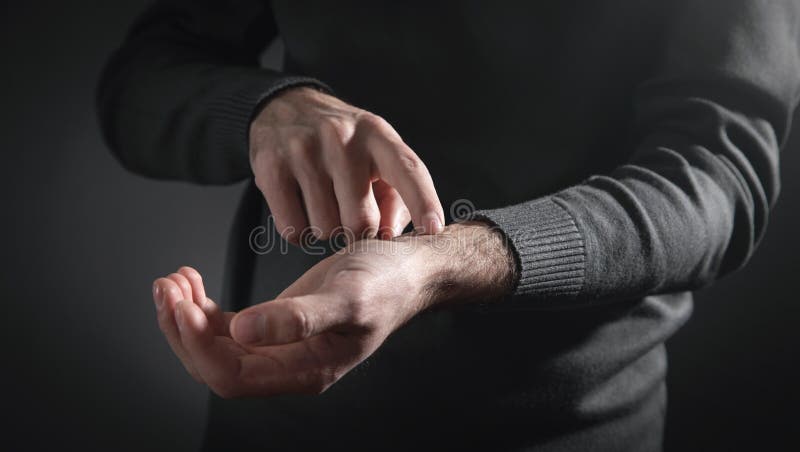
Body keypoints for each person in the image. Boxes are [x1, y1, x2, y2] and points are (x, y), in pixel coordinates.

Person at [97, 1, 800, 451]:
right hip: (276, 410)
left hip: (565, 430)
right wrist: (264, 109)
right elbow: (139, 78)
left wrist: (448, 263)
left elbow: (718, 176)